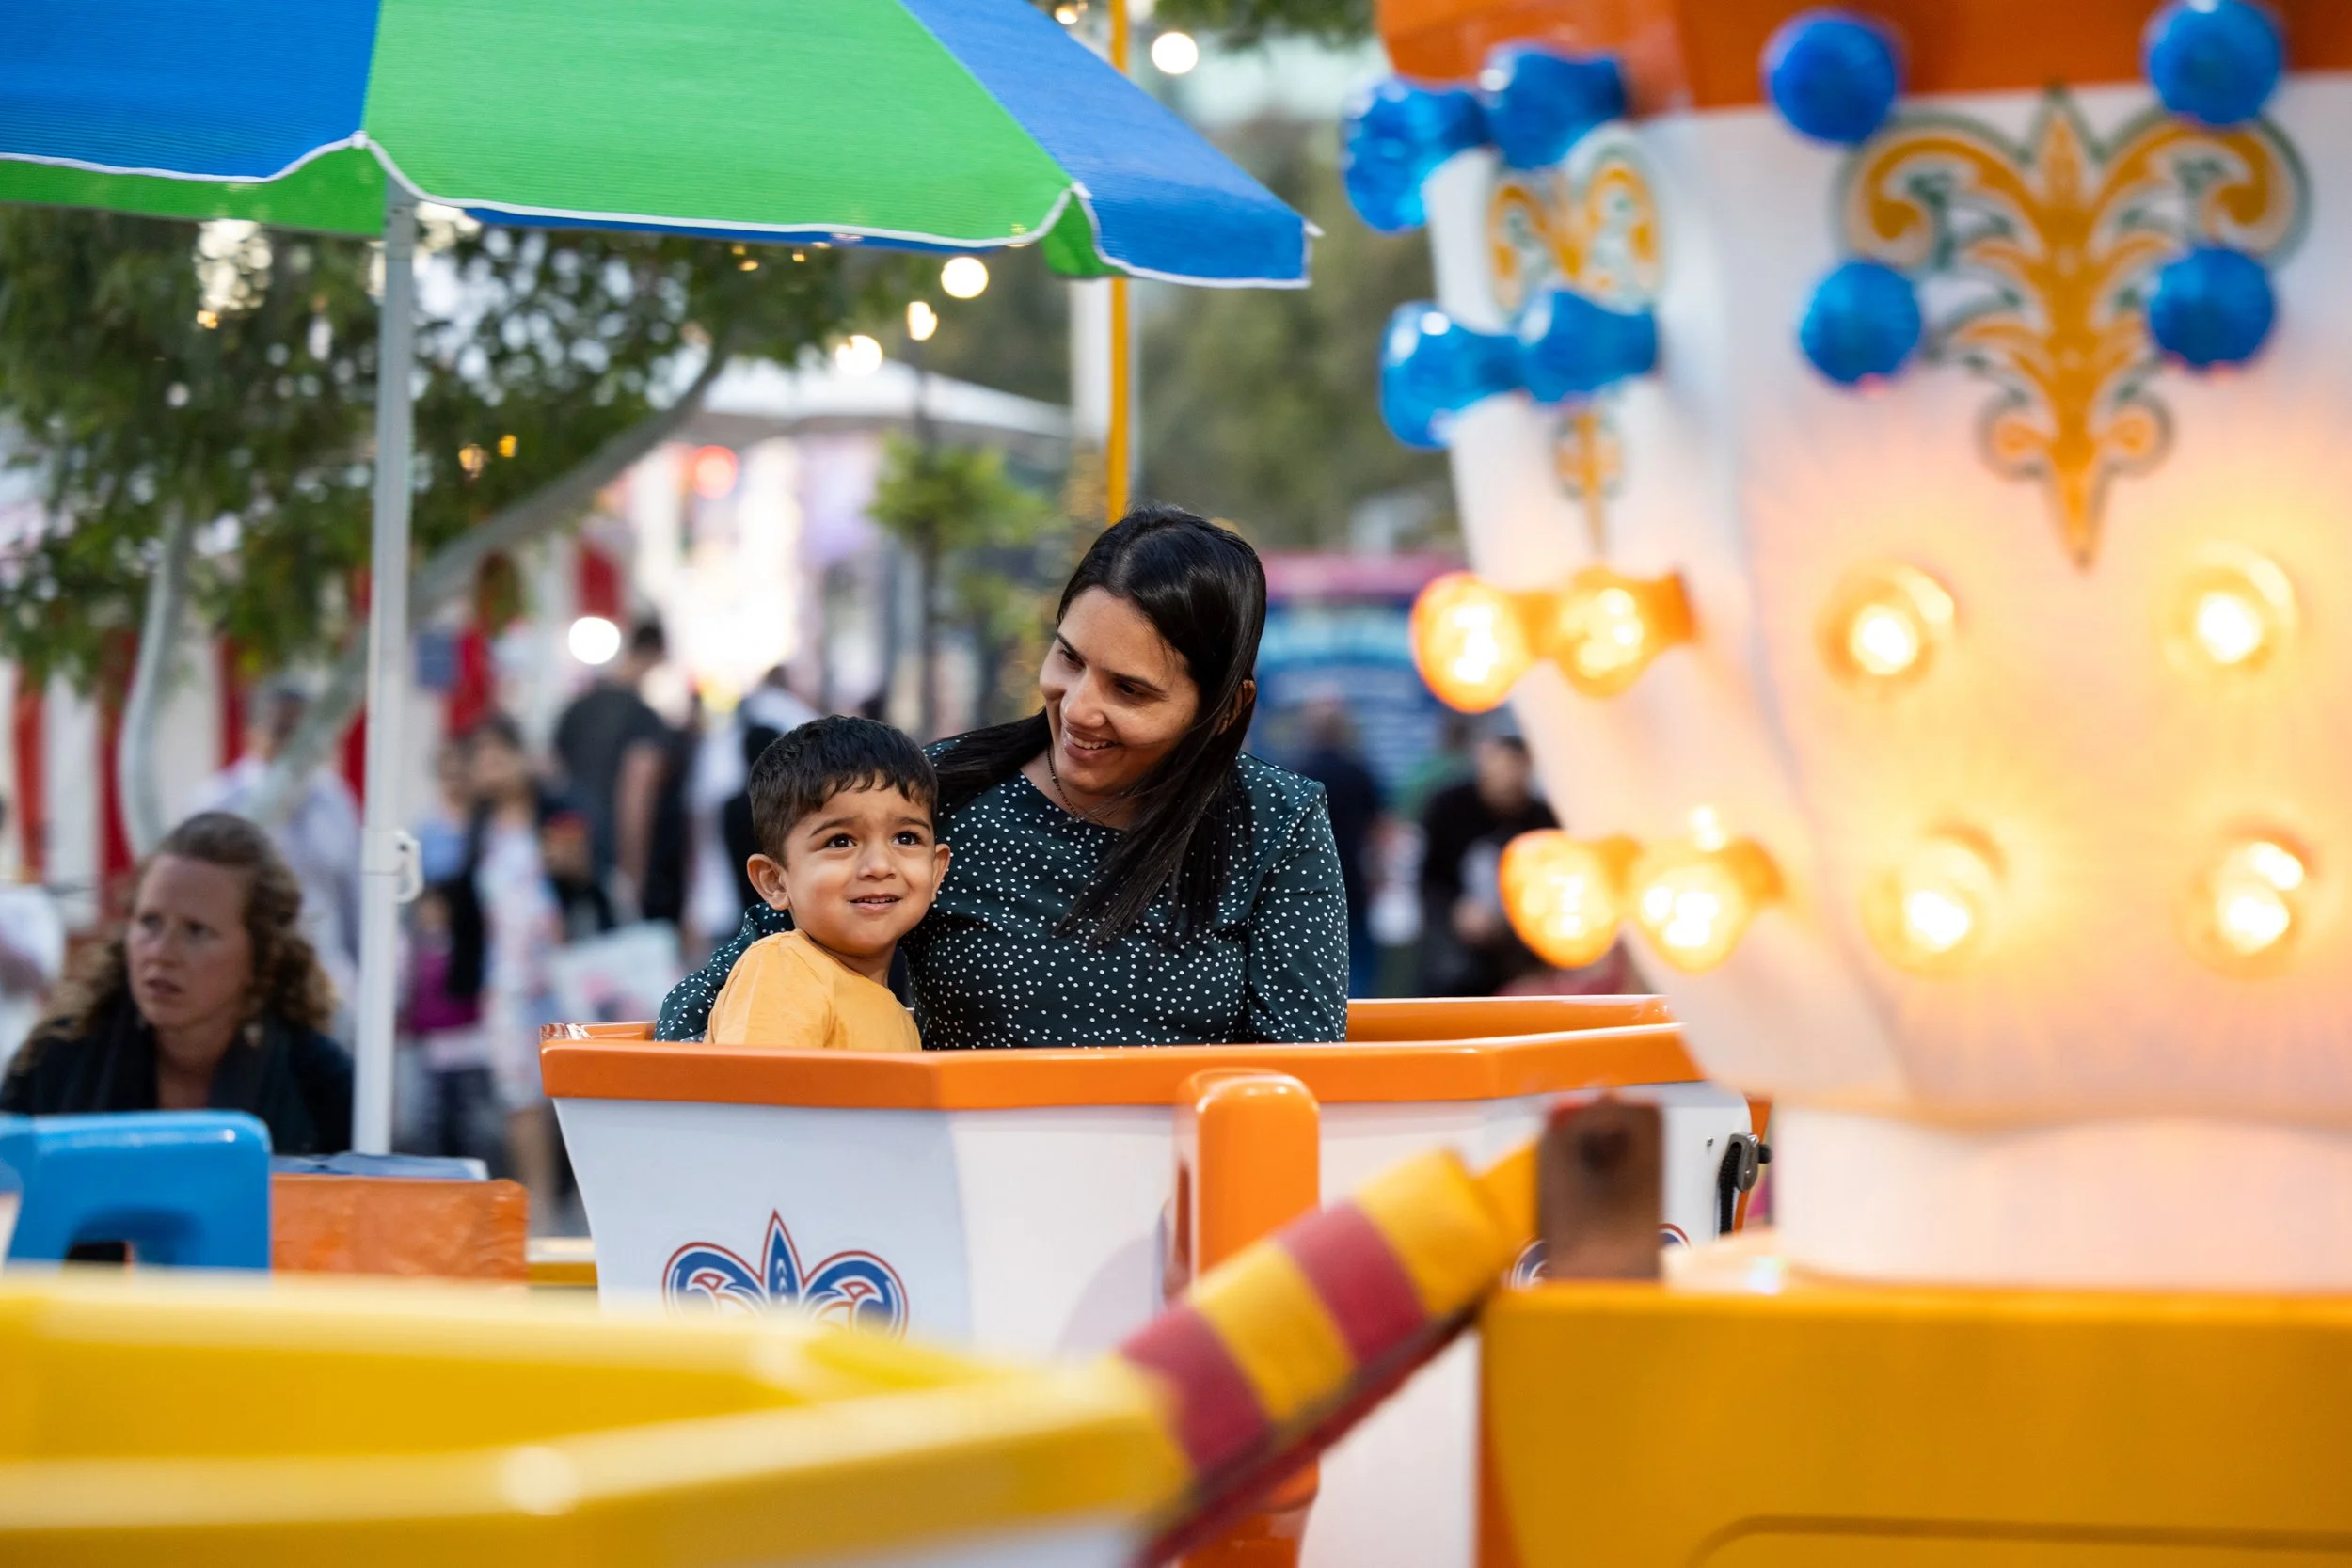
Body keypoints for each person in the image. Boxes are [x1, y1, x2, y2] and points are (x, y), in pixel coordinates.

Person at [659, 505, 1349, 1049]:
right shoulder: (936, 792)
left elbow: (1303, 1068)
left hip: (1196, 1183)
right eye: (1069, 659)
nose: (1079, 709)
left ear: (1227, 710)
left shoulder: (1277, 823)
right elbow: (703, 1011)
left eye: (1130, 690)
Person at [0, 812, 351, 1153]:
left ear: (262, 955)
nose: (161, 953)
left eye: (196, 931)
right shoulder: (56, 1063)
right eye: (150, 922)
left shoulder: (319, 1087)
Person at [707, 718, 947, 1052]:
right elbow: (754, 1085)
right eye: (840, 841)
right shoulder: (784, 968)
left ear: (936, 871)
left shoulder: (898, 1014)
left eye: (906, 838)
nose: (879, 866)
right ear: (775, 881)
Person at [202, 681, 362, 1013]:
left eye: (304, 734)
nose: (294, 745)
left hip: (327, 984)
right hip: (245, 987)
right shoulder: (220, 803)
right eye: (283, 731)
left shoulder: (335, 801)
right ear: (253, 733)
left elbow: (353, 897)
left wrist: (365, 973)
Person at [1418, 732, 1558, 996]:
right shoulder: (1448, 807)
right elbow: (1429, 879)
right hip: (1456, 954)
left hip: (1520, 954)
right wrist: (1457, 909)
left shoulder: (1542, 819)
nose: (1507, 781)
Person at [551, 618, 672, 903]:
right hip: (618, 859)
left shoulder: (574, 709)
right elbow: (636, 798)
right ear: (655, 655)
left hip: (576, 856)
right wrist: (633, 874)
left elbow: (555, 779)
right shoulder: (643, 716)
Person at [1292, 696, 1385, 998]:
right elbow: (1377, 830)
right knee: (1358, 958)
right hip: (1352, 875)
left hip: (1307, 878)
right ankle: (1356, 1015)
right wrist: (1378, 873)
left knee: (1311, 956)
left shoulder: (1296, 772)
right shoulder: (1359, 771)